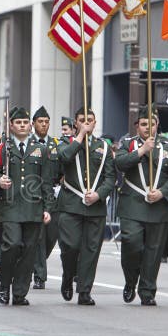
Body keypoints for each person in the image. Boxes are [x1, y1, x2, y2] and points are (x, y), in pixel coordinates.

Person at [114, 105, 168, 305]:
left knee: (153, 251)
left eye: (151, 124)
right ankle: (130, 280)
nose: (148, 128)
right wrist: (142, 151)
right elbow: (120, 163)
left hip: (158, 206)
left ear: (157, 125)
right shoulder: (128, 144)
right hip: (132, 205)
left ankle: (148, 291)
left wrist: (162, 193)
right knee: (131, 243)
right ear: (137, 126)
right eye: (144, 124)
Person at [0, 107, 53, 305]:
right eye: (18, 123)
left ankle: (19, 292)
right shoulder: (3, 148)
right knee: (12, 245)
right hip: (9, 206)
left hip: (33, 207)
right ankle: (4, 284)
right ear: (11, 125)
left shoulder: (41, 149)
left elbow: (46, 182)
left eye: (25, 123)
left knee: (29, 251)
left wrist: (47, 208)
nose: (22, 126)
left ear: (30, 125)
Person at [56, 107, 116, 305]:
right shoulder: (67, 142)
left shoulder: (103, 147)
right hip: (71, 204)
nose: (87, 123)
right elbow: (64, 158)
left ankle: (84, 291)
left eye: (90, 120)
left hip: (94, 206)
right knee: (70, 247)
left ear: (96, 123)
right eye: (82, 120)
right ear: (75, 123)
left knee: (91, 250)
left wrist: (99, 194)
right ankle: (68, 276)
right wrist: (80, 135)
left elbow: (110, 177)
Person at [31, 105, 60, 289]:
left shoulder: (55, 145)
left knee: (51, 236)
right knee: (39, 237)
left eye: (46, 122)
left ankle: (37, 262)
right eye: (40, 122)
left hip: (53, 195)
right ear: (33, 124)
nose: (44, 125)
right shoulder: (28, 145)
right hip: (33, 195)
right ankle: (39, 275)